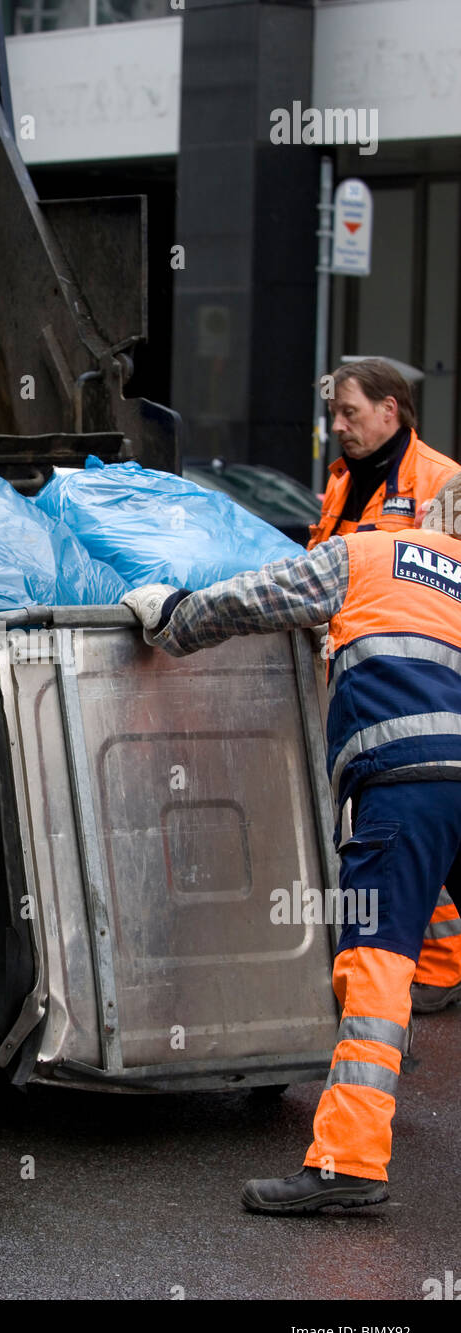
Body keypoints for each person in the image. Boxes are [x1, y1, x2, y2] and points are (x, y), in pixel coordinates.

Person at [122, 473, 461, 1214]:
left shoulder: (368, 555)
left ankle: (346, 1163)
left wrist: (173, 618)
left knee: (374, 964)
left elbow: (255, 598)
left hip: (404, 782)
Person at [311, 358, 461, 1014]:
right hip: (355, 681)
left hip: (421, 687)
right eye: (334, 414)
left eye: (349, 412)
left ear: (388, 411)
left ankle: (437, 965)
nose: (338, 425)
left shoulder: (441, 481)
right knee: (387, 828)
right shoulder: (342, 481)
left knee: (411, 825)